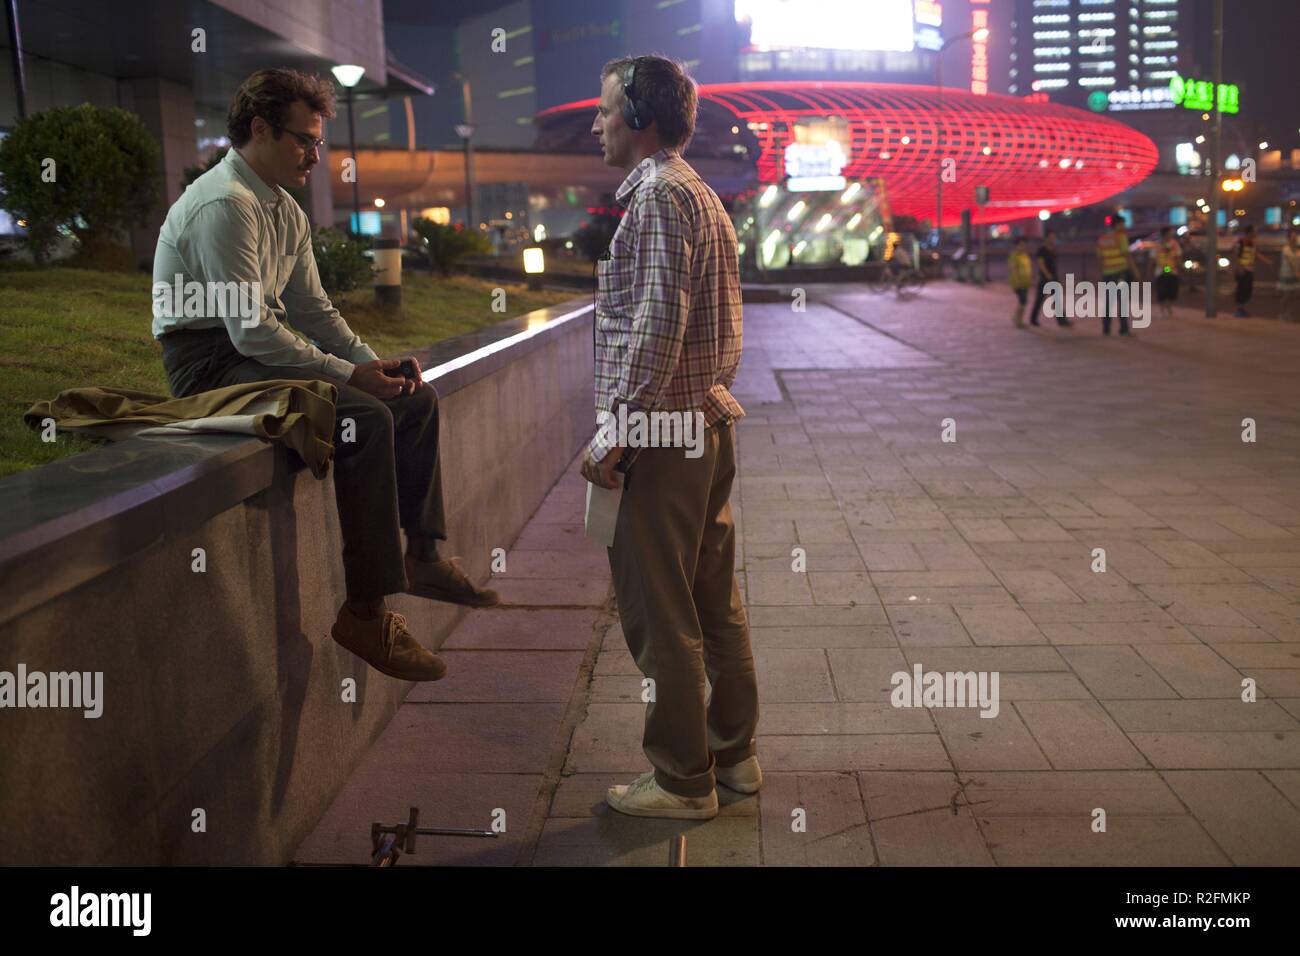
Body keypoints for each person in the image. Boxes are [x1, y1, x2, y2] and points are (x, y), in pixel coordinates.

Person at [153, 69, 498, 684]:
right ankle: (365, 612)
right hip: (208, 365)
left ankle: (422, 555)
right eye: (304, 140)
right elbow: (250, 330)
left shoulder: (281, 206)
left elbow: (313, 309)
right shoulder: (225, 204)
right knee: (362, 417)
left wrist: (374, 366)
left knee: (413, 400)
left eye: (319, 142)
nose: (317, 155)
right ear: (259, 129)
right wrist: (349, 379)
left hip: (247, 350)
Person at [581, 54, 759, 820]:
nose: (595, 123)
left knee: (662, 614)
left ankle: (683, 781)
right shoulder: (700, 193)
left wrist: (616, 435)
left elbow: (656, 329)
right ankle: (734, 756)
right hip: (707, 423)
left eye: (606, 110)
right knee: (714, 603)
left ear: (641, 118)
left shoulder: (656, 196)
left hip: (662, 432)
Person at [1096, 216, 1137, 336]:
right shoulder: (1121, 237)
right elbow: (1127, 255)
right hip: (1120, 273)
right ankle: (1124, 329)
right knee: (1122, 302)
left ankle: (1106, 328)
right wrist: (1135, 271)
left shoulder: (1102, 238)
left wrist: (1102, 272)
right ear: (1117, 225)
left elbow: (1099, 258)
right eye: (1123, 224)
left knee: (1109, 302)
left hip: (1107, 274)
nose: (1124, 227)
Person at [1028, 230, 1070, 327]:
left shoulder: (1053, 250)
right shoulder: (1042, 250)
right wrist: (1047, 275)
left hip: (1053, 278)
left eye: (1054, 237)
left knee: (1056, 299)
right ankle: (1033, 319)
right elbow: (1041, 263)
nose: (1053, 239)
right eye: (1051, 237)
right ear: (1046, 238)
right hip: (1045, 278)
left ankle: (1062, 321)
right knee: (1039, 299)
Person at [1232, 224, 1271, 317]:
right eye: (1254, 231)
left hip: (1250, 269)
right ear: (1250, 232)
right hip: (1243, 269)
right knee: (1242, 289)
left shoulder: (1253, 243)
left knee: (1248, 289)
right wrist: (1239, 268)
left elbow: (1256, 254)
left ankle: (1242, 308)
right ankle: (1239, 309)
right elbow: (1236, 255)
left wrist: (1267, 261)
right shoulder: (1241, 242)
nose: (1256, 233)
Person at [1154, 225, 1181, 320]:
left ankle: (1169, 307)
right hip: (1160, 271)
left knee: (1171, 291)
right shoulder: (1158, 244)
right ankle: (1162, 310)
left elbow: (1178, 256)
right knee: (1161, 291)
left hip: (1172, 270)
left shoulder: (1174, 244)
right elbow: (1152, 258)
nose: (1171, 234)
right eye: (1170, 232)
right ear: (1165, 234)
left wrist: (1179, 266)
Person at [1008, 236, 1033, 327]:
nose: (1023, 247)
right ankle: (1018, 320)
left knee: (1022, 301)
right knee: (1023, 301)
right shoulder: (1014, 255)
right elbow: (1013, 269)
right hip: (1018, 283)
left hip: (1025, 282)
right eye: (1021, 245)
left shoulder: (1025, 255)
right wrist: (1017, 281)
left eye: (1024, 245)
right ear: (1016, 246)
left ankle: (1016, 318)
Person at [1279, 227, 1300, 322]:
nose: (1294, 238)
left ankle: (1288, 312)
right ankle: (1282, 313)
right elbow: (1290, 262)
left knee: (1294, 294)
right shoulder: (1286, 249)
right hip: (1287, 274)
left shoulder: (1298, 249)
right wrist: (1297, 273)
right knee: (1286, 295)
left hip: (1296, 274)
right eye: (1293, 237)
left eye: (1296, 237)